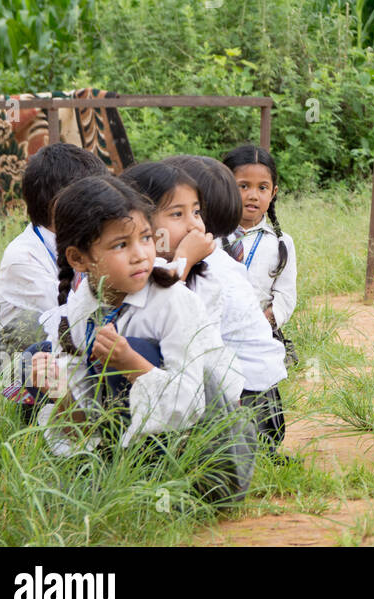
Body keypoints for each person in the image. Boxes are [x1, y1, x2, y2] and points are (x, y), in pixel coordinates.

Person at [32, 176, 253, 502]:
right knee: (40, 358)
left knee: (134, 347)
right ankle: (126, 481)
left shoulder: (171, 300)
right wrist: (59, 392)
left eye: (146, 238)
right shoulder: (80, 308)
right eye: (121, 245)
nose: (140, 255)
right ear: (78, 259)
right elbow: (87, 427)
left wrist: (132, 365)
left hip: (213, 455)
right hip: (134, 445)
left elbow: (190, 405)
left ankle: (161, 484)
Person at [123, 161, 287, 449]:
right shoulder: (171, 264)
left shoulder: (205, 270)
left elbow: (182, 334)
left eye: (196, 212)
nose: (193, 223)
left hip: (247, 410)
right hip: (248, 402)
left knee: (137, 349)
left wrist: (183, 262)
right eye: (178, 213)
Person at [0, 144, 109, 380]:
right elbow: (72, 324)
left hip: (66, 354)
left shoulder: (85, 240)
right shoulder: (22, 258)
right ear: (59, 205)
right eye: (94, 198)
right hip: (26, 369)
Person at [222, 145, 298, 365]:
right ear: (225, 187)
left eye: (262, 188)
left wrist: (262, 324)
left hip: (259, 337)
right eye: (243, 186)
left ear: (273, 192)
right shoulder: (209, 236)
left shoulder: (281, 243)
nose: (252, 195)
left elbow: (285, 295)